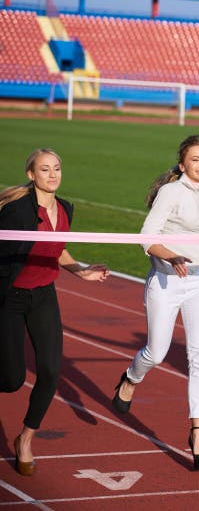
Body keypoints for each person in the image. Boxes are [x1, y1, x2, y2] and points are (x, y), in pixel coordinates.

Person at [111, 135, 199, 472]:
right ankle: (130, 379)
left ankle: (198, 433)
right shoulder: (171, 192)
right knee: (156, 353)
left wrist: (193, 257)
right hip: (166, 281)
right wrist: (172, 256)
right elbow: (147, 237)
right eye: (195, 159)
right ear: (182, 164)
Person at [0, 148, 110, 476]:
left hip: (43, 296)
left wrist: (81, 271)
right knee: (11, 380)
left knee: (50, 370)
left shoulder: (65, 209)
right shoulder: (16, 211)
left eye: (57, 168)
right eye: (45, 169)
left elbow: (56, 248)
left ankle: (25, 439)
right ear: (31, 174)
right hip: (9, 297)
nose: (52, 175)